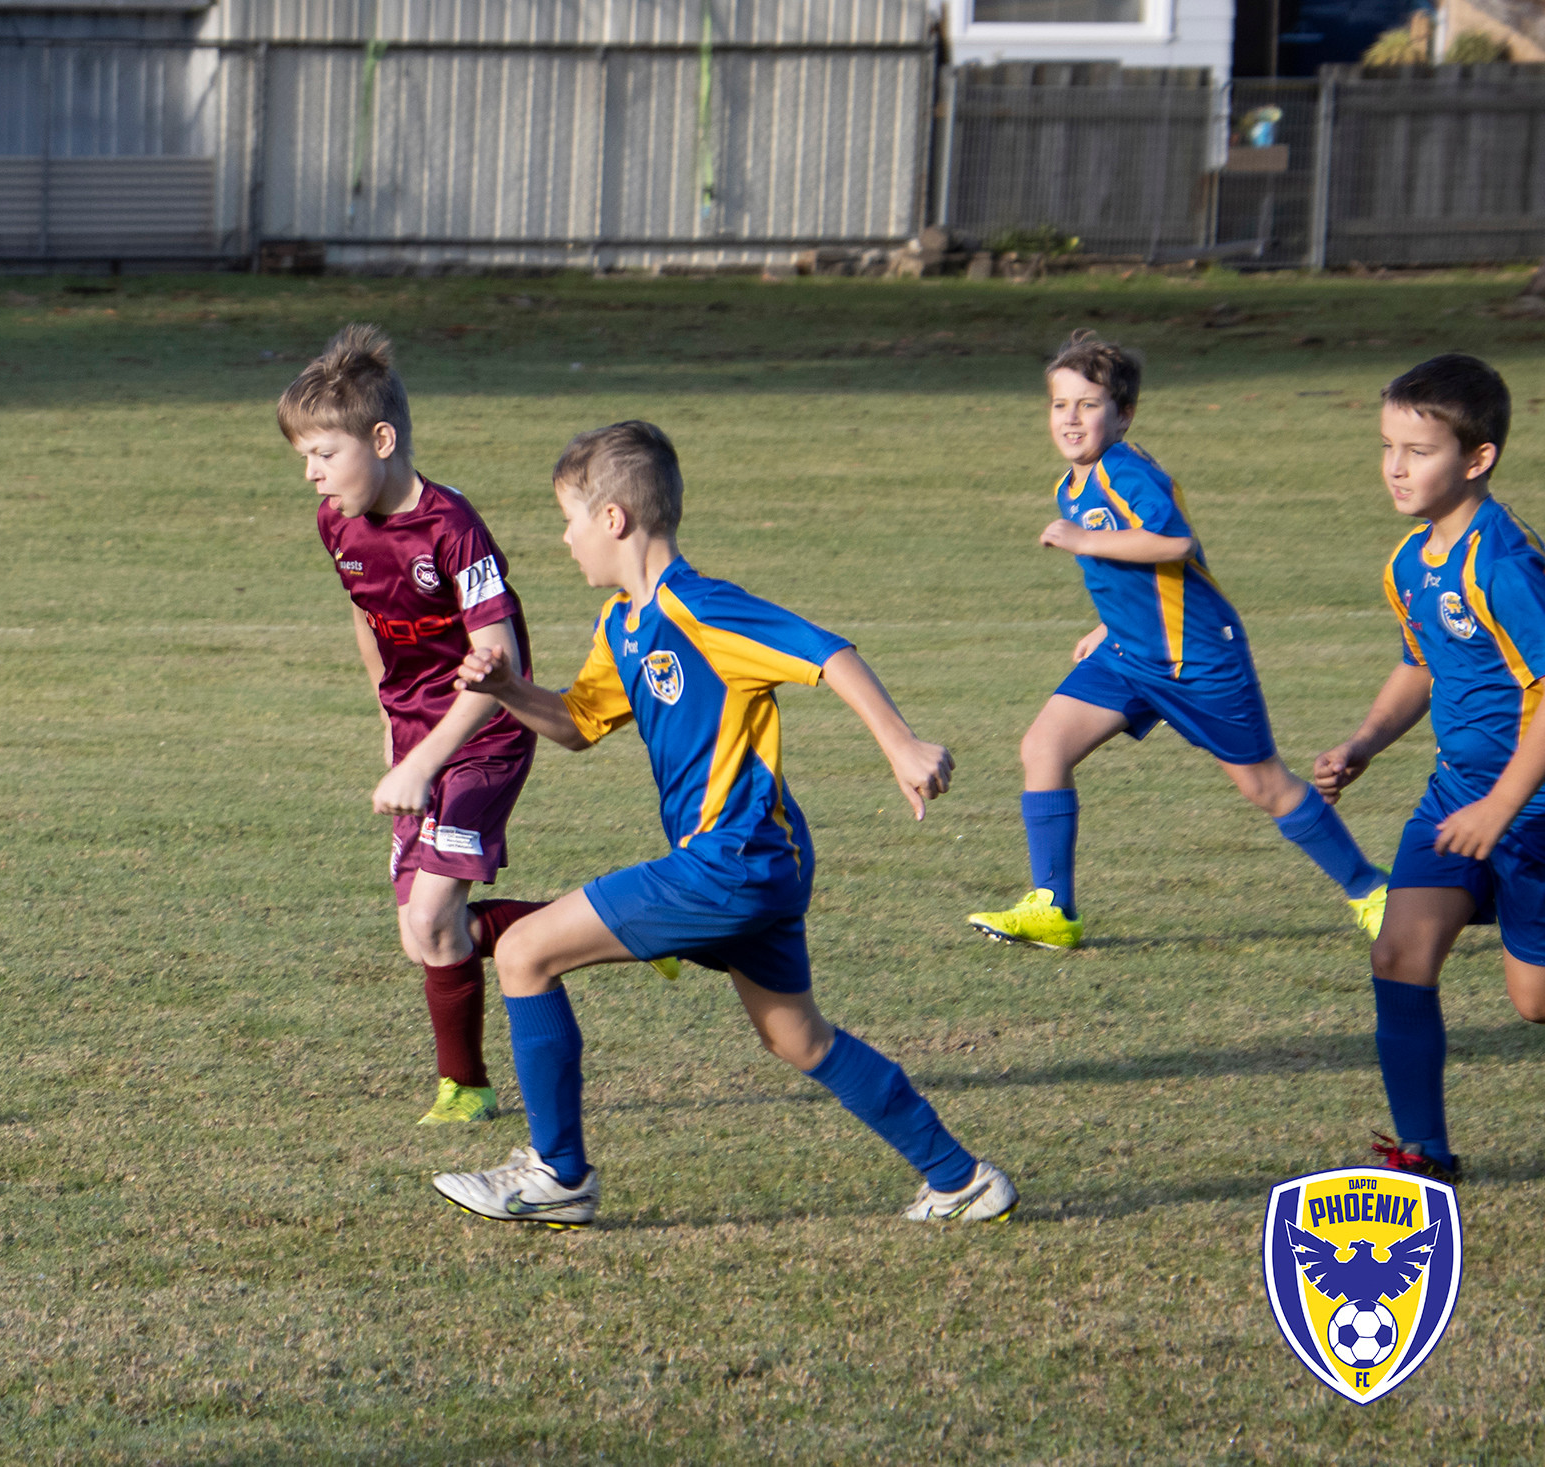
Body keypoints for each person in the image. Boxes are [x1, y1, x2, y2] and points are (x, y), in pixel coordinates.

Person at [432, 420, 1016, 1228]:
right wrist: (507, 690)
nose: (564, 540)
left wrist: (902, 743)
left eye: (569, 519)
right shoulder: (623, 623)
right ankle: (963, 1179)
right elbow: (576, 722)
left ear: (613, 520)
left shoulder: (698, 605)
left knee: (526, 951)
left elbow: (826, 652)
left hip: (731, 860)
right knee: (798, 1039)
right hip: (755, 862)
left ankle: (557, 1175)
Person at [967, 331, 1386, 951]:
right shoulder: (1073, 485)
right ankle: (1052, 908)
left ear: (1123, 415)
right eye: (1060, 404)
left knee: (1264, 786)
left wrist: (1083, 542)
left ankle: (1371, 891)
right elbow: (1139, 571)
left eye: (1089, 404)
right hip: (1130, 655)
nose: (1072, 418)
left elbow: (1175, 546)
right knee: (1043, 746)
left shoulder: (1127, 473)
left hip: (1196, 657)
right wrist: (1109, 625)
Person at [279, 323, 540, 1126]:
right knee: (424, 935)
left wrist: (426, 758)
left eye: (324, 454)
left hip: (483, 735)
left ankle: (465, 1088)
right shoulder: (339, 523)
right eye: (305, 461)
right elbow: (367, 618)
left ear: (381, 438)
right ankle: (637, 922)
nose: (314, 476)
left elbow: (500, 669)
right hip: (416, 738)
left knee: (432, 919)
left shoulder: (454, 530)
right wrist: (389, 725)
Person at [1314, 353, 1545, 1184]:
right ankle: (1425, 1154)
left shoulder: (1505, 563)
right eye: (1387, 447)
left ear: (1476, 459)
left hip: (1534, 807)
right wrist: (1365, 740)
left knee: (1533, 1001)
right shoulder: (1410, 561)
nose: (1396, 467)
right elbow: (1420, 664)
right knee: (1399, 952)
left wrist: (1504, 806)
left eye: (1418, 451)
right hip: (1457, 794)